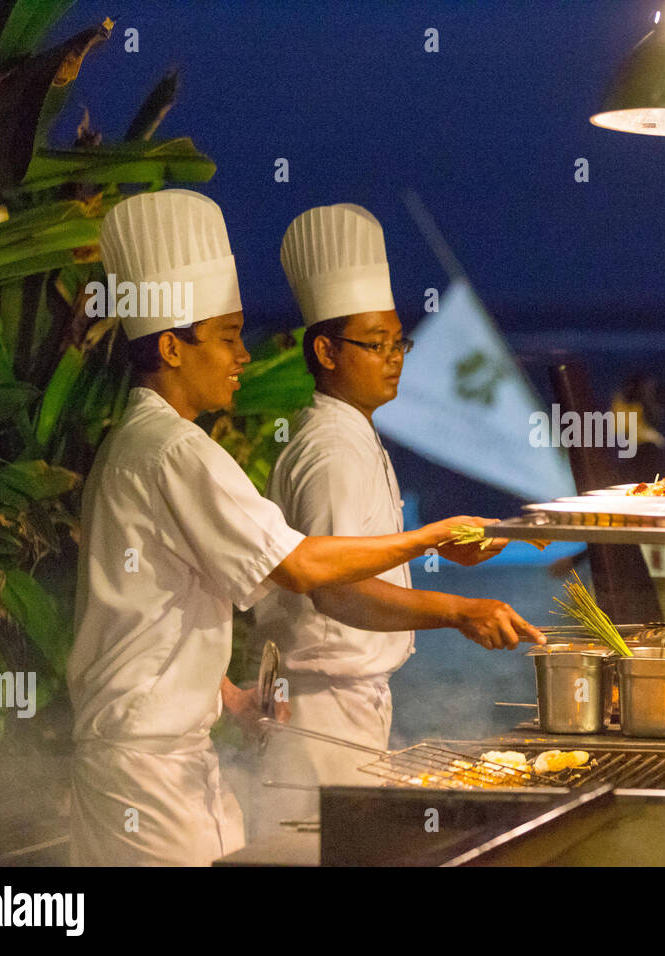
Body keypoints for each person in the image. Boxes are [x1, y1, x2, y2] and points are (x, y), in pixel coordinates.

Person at [66, 190, 492, 866]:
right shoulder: (174, 450)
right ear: (172, 346)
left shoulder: (145, 442)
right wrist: (433, 543)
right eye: (228, 336)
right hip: (147, 776)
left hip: (169, 763)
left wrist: (229, 698)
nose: (244, 355)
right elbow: (300, 567)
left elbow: (154, 611)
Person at [253, 204, 543, 831]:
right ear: (326, 351)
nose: (394, 358)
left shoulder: (353, 431)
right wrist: (460, 611)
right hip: (317, 716)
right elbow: (336, 590)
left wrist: (432, 548)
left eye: (397, 342)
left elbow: (357, 556)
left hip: (343, 707)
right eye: (373, 344)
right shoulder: (331, 448)